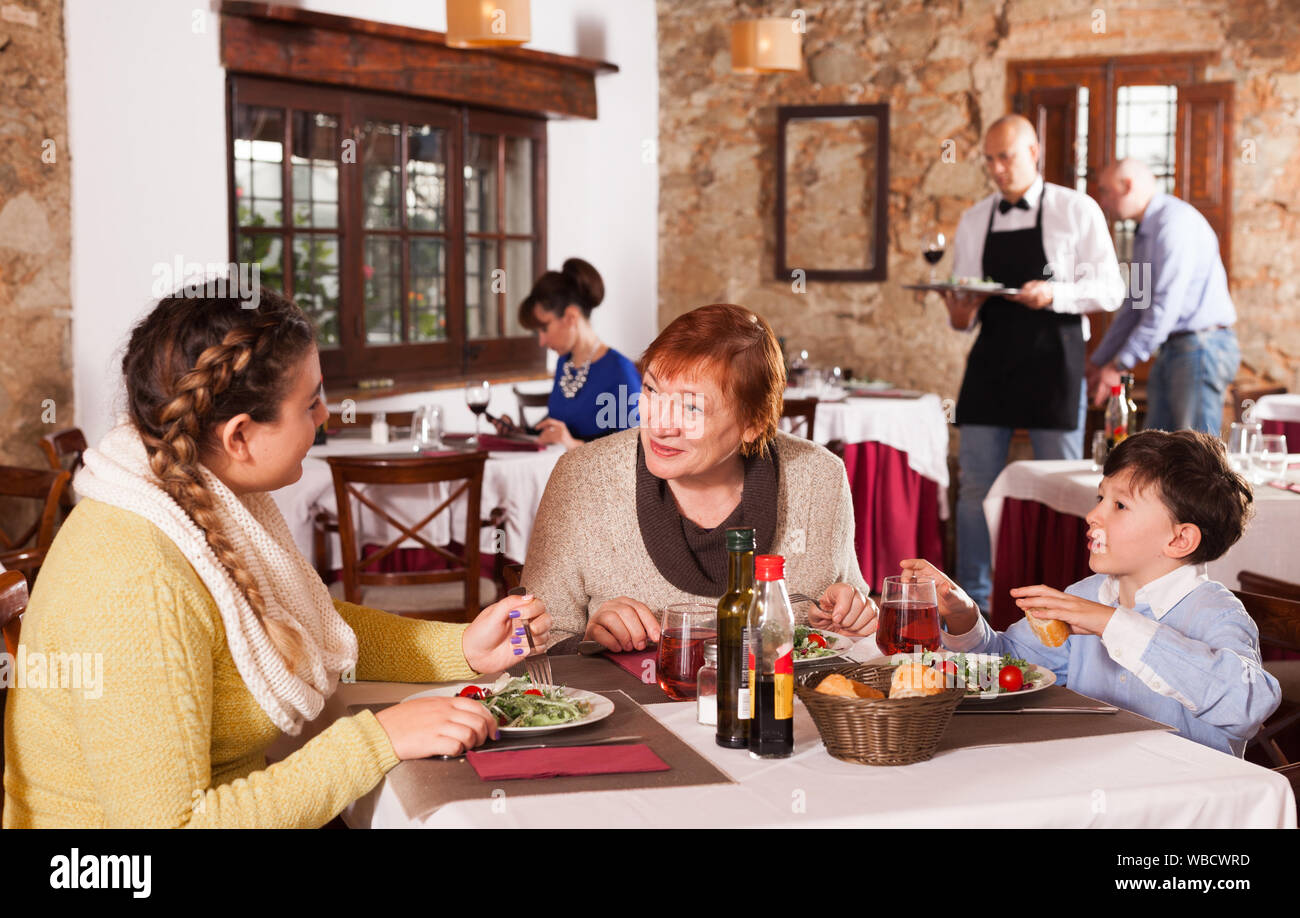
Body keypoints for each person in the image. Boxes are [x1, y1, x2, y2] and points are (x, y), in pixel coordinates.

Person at [2, 286, 550, 828]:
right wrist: (379, 738)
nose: (327, 415)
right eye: (310, 402)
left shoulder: (201, 492)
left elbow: (305, 621)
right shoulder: (138, 580)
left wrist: (463, 647)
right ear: (240, 436)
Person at [901, 429, 1280, 757]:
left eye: (1119, 505)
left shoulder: (1215, 611)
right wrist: (964, 614)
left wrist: (1112, 624)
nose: (1093, 515)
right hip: (1095, 785)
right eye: (1101, 498)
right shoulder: (1088, 595)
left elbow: (1247, 705)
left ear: (1179, 538)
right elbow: (1009, 669)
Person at [522, 303, 877, 652]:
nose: (659, 425)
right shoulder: (584, 477)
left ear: (752, 423)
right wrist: (586, 644)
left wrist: (854, 614)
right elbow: (522, 642)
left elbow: (848, 615)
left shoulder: (819, 478)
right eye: (652, 391)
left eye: (691, 407)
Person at [944, 114, 1126, 615]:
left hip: (1055, 358)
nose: (997, 168)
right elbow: (964, 316)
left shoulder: (1076, 208)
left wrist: (1056, 293)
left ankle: (1073, 602)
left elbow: (1111, 289)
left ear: (1033, 152)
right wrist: (957, 310)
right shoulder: (975, 218)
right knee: (975, 485)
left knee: (1065, 485)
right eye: (989, 159)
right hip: (992, 358)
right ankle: (972, 602)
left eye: (1006, 156)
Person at [1089, 159, 1240, 434]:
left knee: (1196, 454)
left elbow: (1163, 308)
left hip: (1201, 347)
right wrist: (1099, 361)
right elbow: (1136, 305)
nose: (1102, 201)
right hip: (1174, 348)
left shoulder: (1174, 224)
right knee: (1158, 451)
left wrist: (1119, 364)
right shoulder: (1146, 232)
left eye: (1105, 191)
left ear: (1127, 186)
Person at [511, 257, 641, 450]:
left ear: (571, 317)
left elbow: (635, 452)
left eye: (544, 328)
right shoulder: (565, 363)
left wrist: (574, 445)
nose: (542, 341)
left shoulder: (620, 371)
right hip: (561, 474)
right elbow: (562, 427)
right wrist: (518, 433)